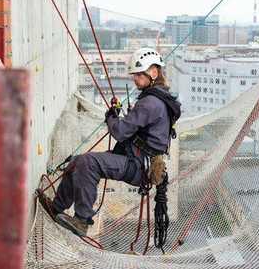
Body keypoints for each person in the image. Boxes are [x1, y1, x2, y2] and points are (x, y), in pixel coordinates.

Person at [37, 48, 181, 237]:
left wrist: (112, 117)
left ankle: (82, 220)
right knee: (77, 162)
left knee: (88, 162)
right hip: (137, 161)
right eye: (134, 75)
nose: (135, 79)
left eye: (139, 74)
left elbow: (120, 132)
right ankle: (56, 208)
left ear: (154, 72)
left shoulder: (151, 102)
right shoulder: (158, 100)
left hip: (137, 165)